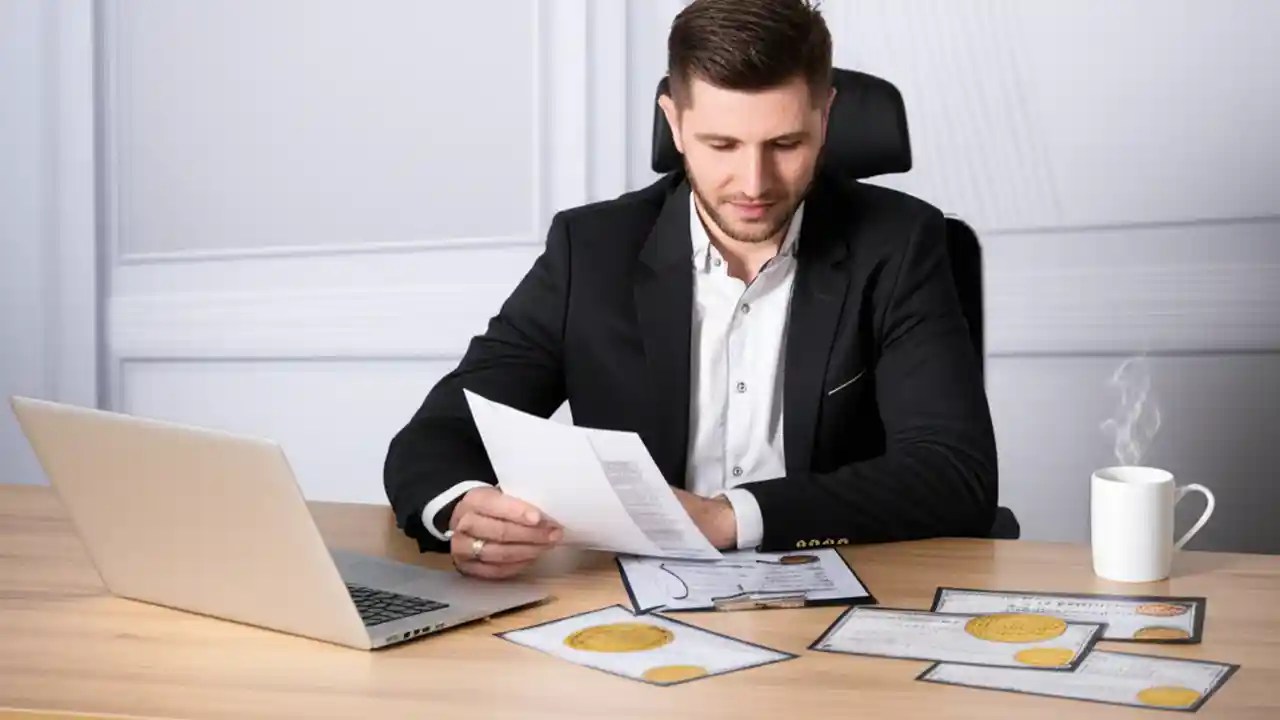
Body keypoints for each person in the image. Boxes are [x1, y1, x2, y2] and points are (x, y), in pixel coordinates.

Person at [384, 0, 997, 579]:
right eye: (721, 145)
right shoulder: (591, 250)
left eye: (785, 144)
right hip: (629, 606)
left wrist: (730, 518)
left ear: (825, 117)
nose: (753, 182)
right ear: (675, 123)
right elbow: (439, 434)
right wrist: (464, 508)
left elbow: (954, 473)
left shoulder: (900, 242)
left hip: (845, 589)